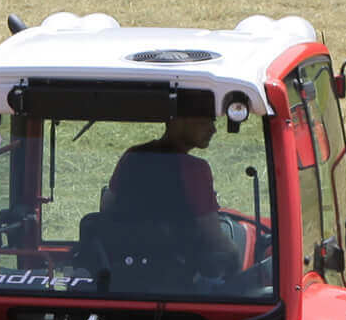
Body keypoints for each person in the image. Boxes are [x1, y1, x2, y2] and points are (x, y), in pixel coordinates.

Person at [82, 106, 245, 291]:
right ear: (177, 121)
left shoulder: (132, 156)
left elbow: (107, 207)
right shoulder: (194, 170)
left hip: (120, 278)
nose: (213, 130)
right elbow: (213, 237)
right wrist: (237, 262)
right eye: (204, 121)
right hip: (174, 283)